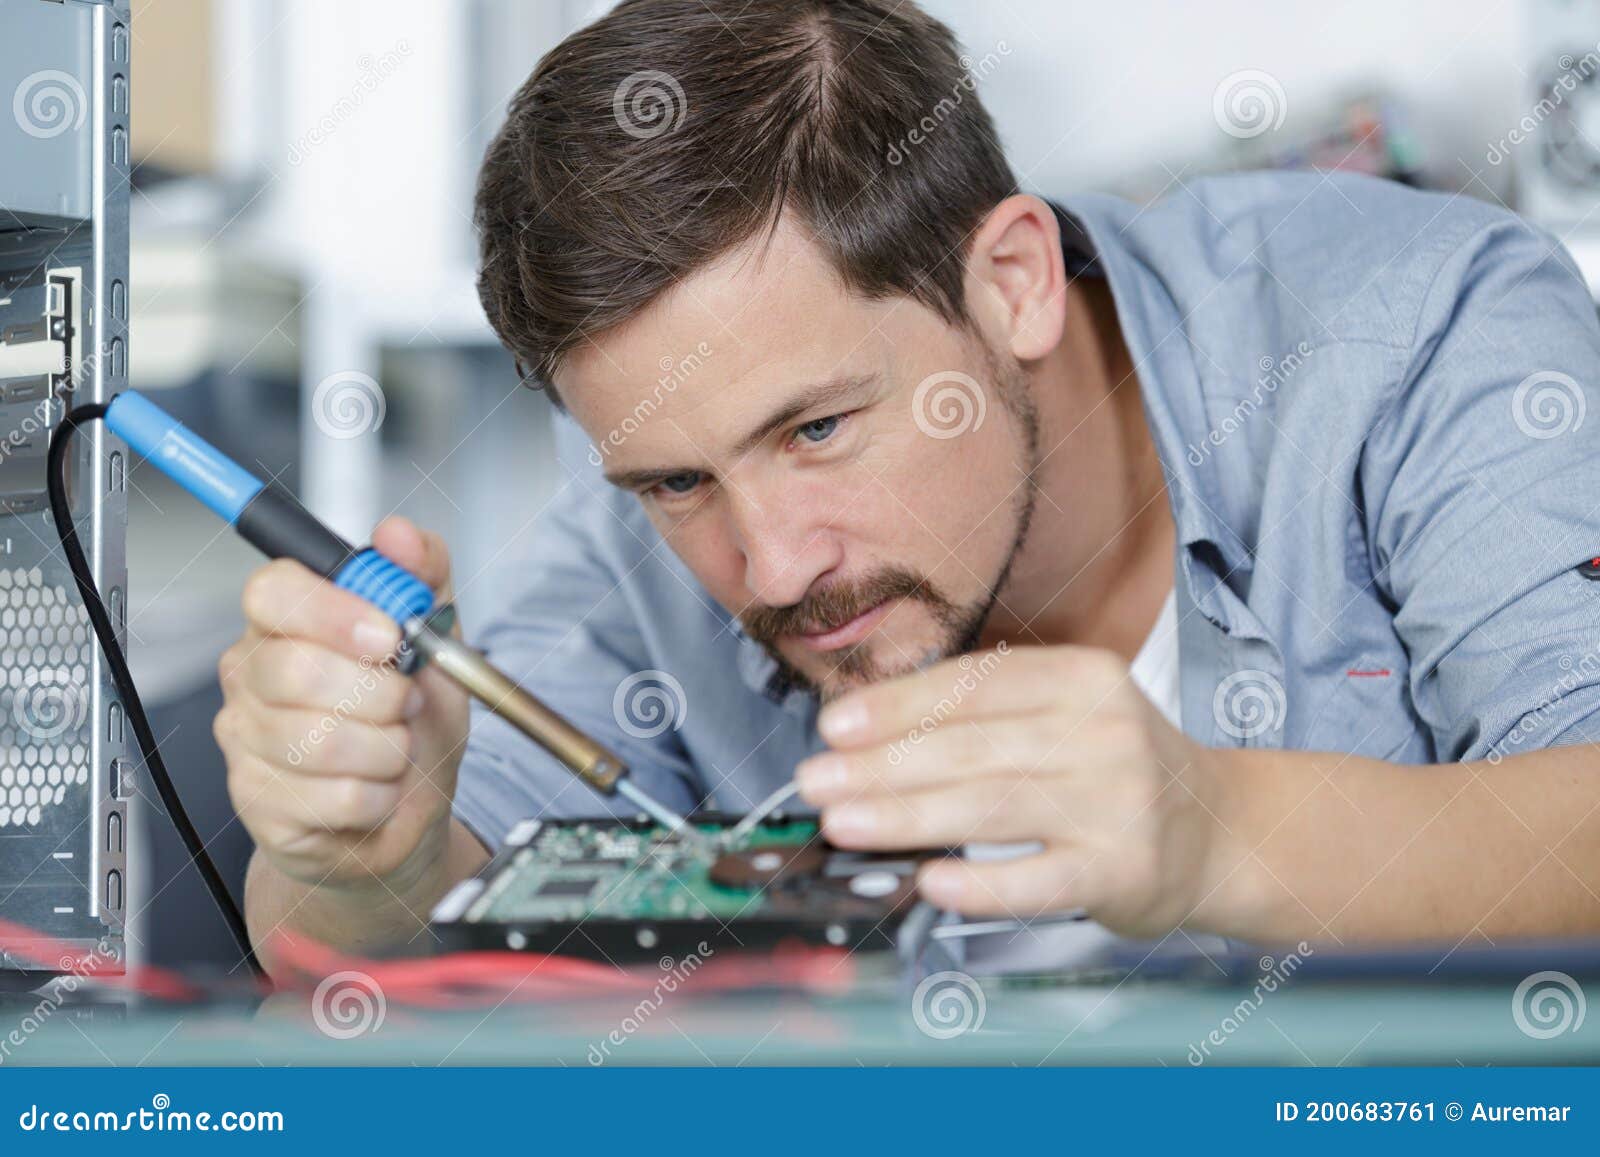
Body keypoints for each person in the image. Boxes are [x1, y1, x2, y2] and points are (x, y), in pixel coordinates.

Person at [215, 0, 1600, 971]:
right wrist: (364, 865)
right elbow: (392, 934)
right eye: (679, 480)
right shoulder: (640, 539)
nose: (769, 567)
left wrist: (1217, 829)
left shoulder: (1418, 330)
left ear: (1012, 283)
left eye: (817, 429)